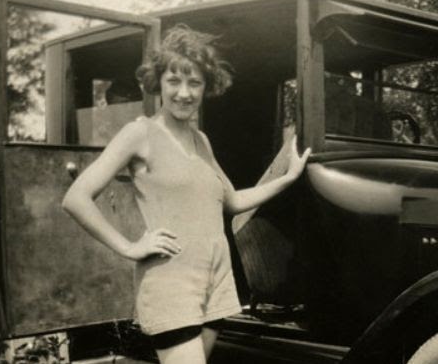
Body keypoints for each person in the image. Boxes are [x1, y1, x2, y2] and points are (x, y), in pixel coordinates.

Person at [61, 24, 311, 364]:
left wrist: (287, 177)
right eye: (173, 81)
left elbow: (232, 202)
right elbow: (76, 197)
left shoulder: (201, 140)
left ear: (206, 86)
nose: (184, 92)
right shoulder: (140, 133)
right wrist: (130, 247)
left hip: (215, 284)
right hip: (171, 284)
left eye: (194, 82)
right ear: (158, 83)